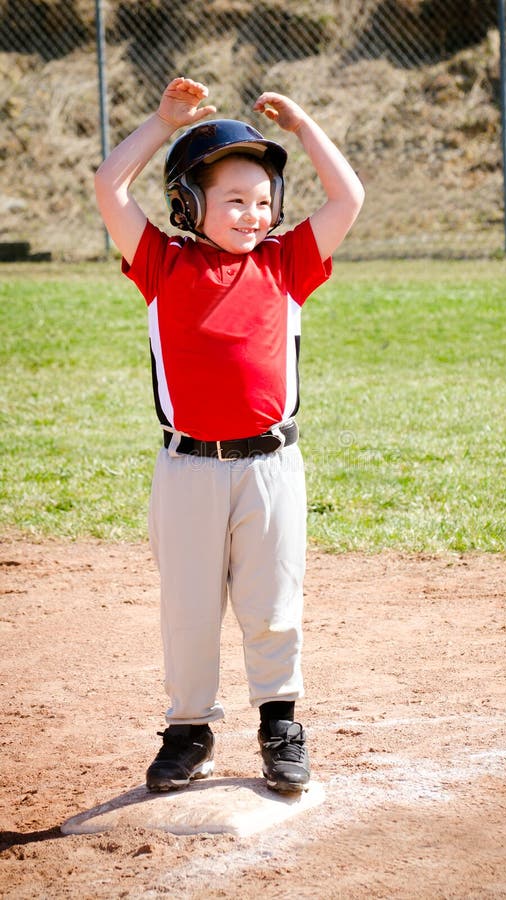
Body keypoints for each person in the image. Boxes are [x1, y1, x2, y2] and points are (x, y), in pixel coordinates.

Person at [94, 76, 364, 794]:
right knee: (187, 606)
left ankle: (279, 723)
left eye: (264, 200)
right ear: (189, 202)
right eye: (234, 199)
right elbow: (109, 187)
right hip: (187, 469)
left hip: (272, 465)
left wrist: (304, 127)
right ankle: (189, 730)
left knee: (273, 600)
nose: (254, 213)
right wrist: (159, 123)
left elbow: (348, 200)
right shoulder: (161, 264)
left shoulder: (285, 264)